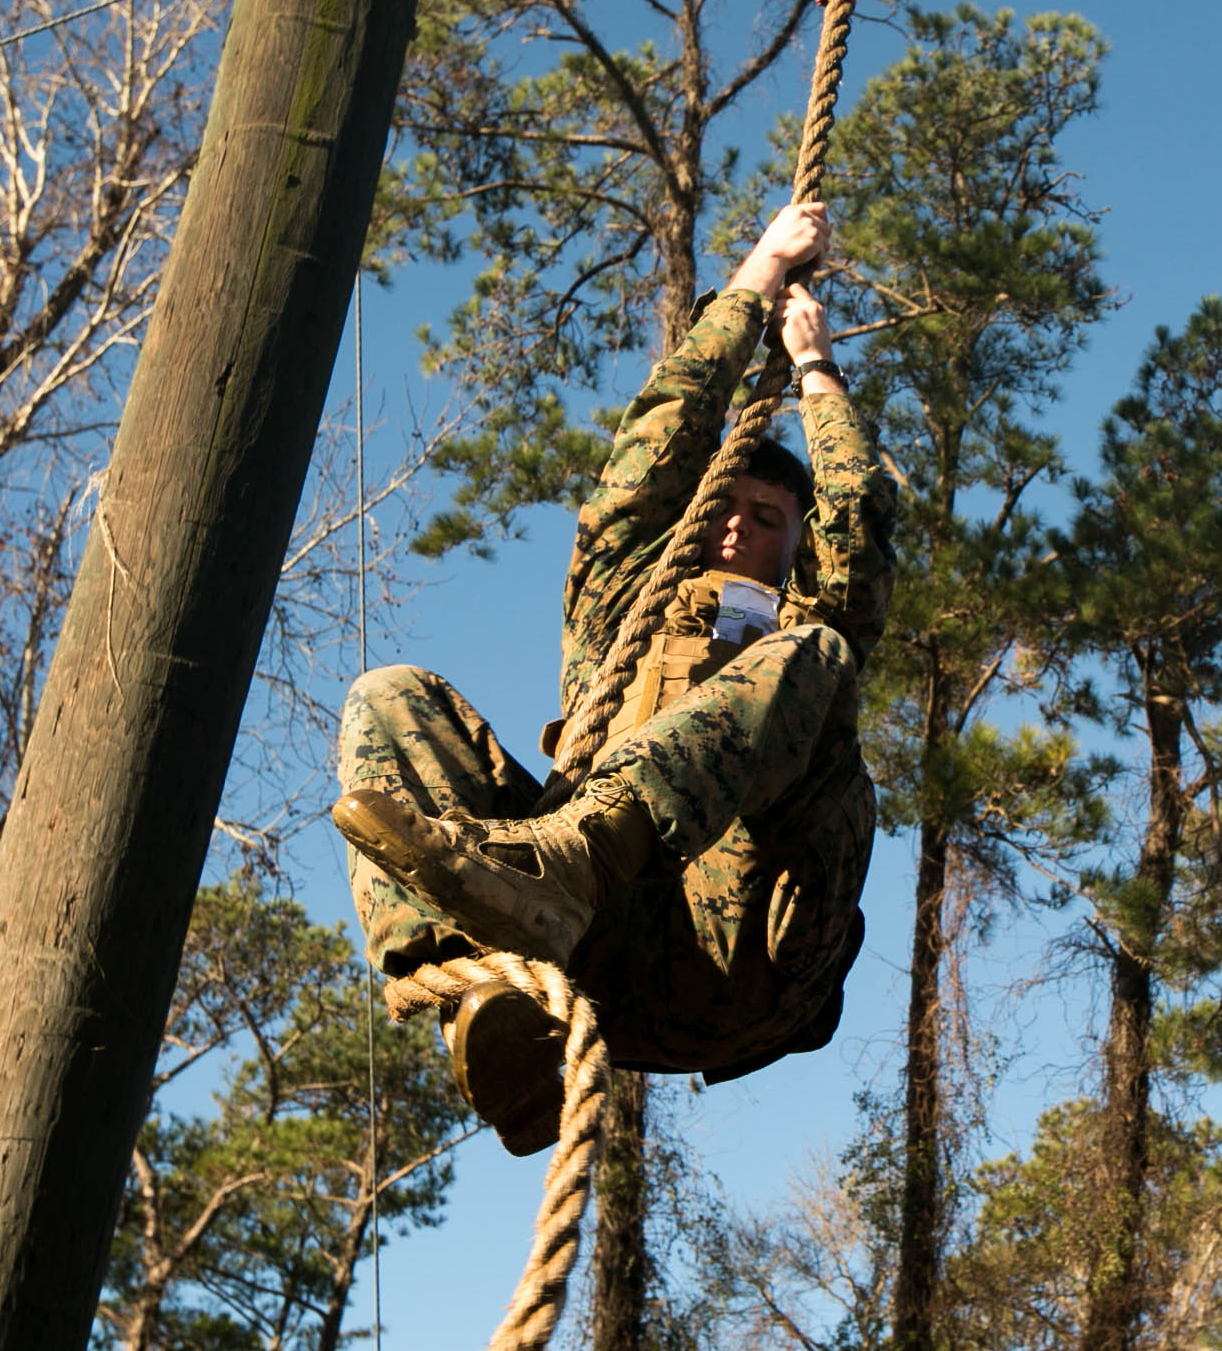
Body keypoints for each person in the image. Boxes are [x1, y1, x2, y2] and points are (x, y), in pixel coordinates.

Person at [329, 201, 895, 1152]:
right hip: (592, 960)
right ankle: (485, 1002)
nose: (737, 525)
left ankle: (575, 860)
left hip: (745, 950)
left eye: (767, 514)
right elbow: (646, 461)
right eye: (726, 505)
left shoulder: (812, 620)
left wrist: (816, 372)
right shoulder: (623, 610)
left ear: (797, 539)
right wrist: (751, 281)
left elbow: (861, 532)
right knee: (387, 699)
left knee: (818, 660)